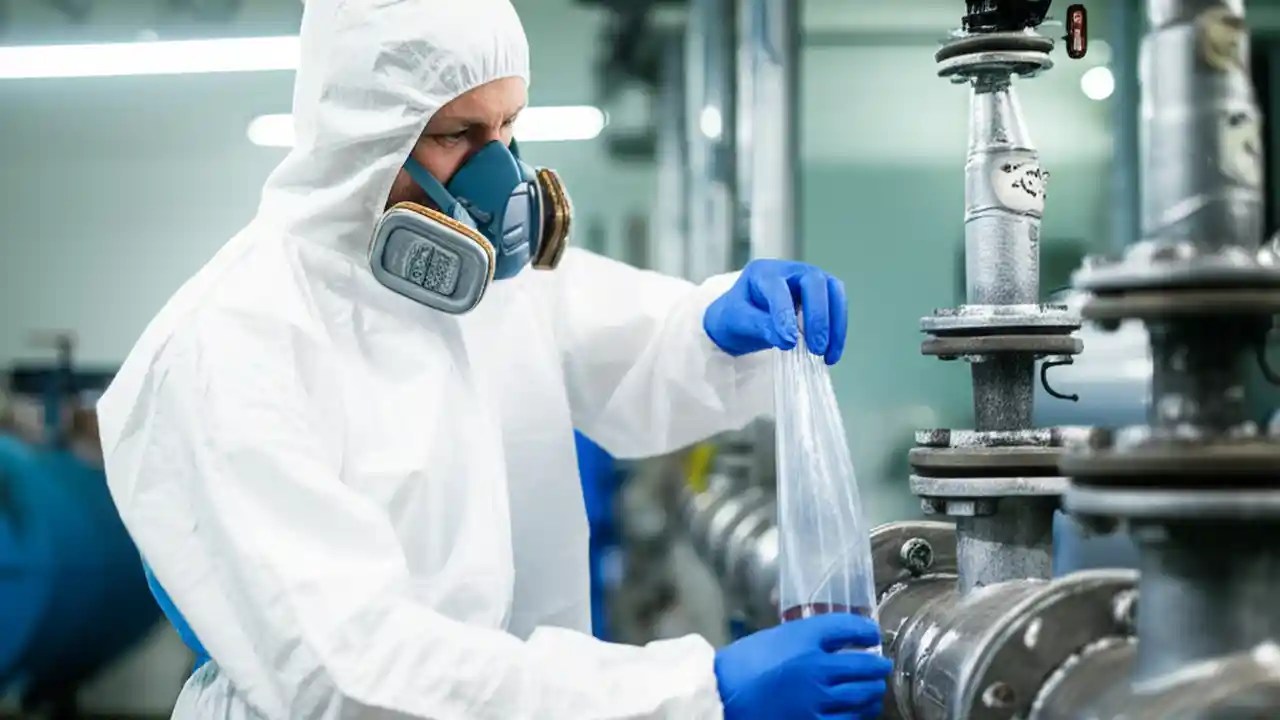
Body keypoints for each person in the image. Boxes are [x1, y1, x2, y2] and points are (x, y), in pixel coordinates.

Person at [97, 1, 890, 718]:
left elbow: (623, 346)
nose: (501, 177)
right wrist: (693, 692)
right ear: (361, 144)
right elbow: (347, 673)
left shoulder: (481, 288)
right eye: (457, 136)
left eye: (509, 128)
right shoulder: (235, 342)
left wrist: (714, 327)